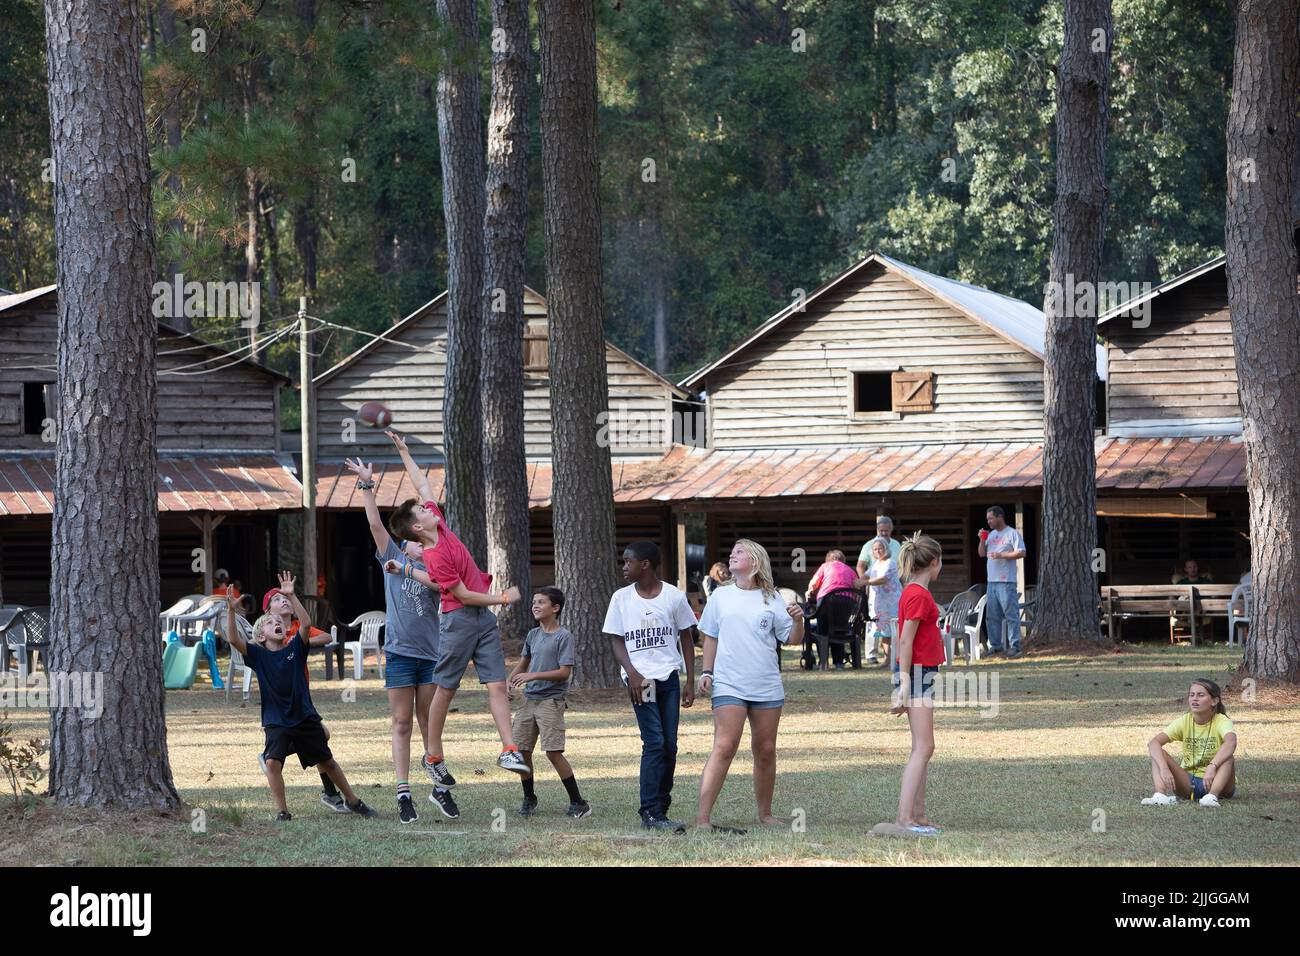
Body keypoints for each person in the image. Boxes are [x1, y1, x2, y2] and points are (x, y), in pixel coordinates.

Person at [383, 430, 527, 818]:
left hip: (481, 619)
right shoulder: (433, 556)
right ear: (417, 527)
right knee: (445, 689)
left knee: (496, 683)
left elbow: (422, 482)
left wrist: (404, 452)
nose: (431, 508)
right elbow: (461, 596)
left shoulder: (439, 525)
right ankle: (432, 755)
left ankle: (509, 749)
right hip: (459, 619)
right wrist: (501, 598)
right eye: (424, 511)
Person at [226, 571, 377, 821]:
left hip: (304, 717)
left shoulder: (296, 646)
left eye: (279, 622)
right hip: (276, 721)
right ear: (261, 636)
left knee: (327, 762)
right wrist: (232, 611)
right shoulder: (258, 656)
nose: (277, 623)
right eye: (269, 621)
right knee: (273, 764)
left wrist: (291, 595)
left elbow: (306, 625)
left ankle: (353, 800)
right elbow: (232, 638)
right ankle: (283, 812)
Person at [344, 456, 446, 824]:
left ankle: (438, 786)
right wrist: (367, 485)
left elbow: (442, 584)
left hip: (432, 654)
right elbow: (373, 523)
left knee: (428, 723)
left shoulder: (438, 558)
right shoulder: (392, 553)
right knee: (401, 722)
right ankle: (404, 793)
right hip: (401, 652)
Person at [695, 539, 803, 833]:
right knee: (725, 745)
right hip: (729, 682)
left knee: (766, 749)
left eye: (739, 552)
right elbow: (711, 636)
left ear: (755, 561)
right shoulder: (720, 596)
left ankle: (765, 814)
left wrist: (798, 621)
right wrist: (707, 671)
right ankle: (703, 818)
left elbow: (792, 640)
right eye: (732, 552)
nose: (732, 555)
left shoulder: (773, 598)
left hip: (766, 684)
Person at [603, 540, 697, 833]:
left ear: (645, 564)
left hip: (668, 677)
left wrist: (690, 680)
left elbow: (686, 638)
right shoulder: (621, 598)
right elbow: (616, 639)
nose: (624, 567)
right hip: (640, 679)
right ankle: (650, 812)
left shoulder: (673, 596)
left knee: (670, 745)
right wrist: (631, 673)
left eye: (628, 562)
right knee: (654, 742)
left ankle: (662, 807)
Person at [508, 586, 591, 820]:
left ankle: (579, 802)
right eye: (534, 601)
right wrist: (508, 683)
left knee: (553, 752)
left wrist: (532, 677)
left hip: (550, 701)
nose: (535, 605)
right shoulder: (533, 635)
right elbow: (523, 664)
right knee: (522, 752)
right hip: (528, 701)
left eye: (541, 602)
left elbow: (564, 672)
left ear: (555, 608)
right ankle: (529, 798)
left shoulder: (564, 636)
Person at [260, 581, 340, 810]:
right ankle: (330, 793)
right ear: (268, 613)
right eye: (276, 599)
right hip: (283, 704)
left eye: (285, 597)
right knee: (321, 736)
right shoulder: (269, 639)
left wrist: (299, 643)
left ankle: (273, 755)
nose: (283, 600)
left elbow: (326, 637)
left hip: (302, 697)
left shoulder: (298, 628)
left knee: (320, 738)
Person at [889, 533, 946, 836]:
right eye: (941, 561)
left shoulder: (916, 592)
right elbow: (905, 640)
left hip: (922, 672)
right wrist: (905, 685)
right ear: (934, 562)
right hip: (917, 673)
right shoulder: (918, 595)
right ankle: (904, 820)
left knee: (922, 746)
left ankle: (919, 817)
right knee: (924, 746)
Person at [1142, 679, 1237, 807]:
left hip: (1218, 783)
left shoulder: (1221, 721)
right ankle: (1160, 795)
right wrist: (1164, 769)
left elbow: (1231, 742)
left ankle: (1212, 797)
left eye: (1200, 695)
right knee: (1158, 753)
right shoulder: (1184, 721)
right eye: (1192, 695)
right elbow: (1153, 743)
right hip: (1188, 784)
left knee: (1228, 757)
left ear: (1214, 701)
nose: (1195, 699)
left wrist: (1212, 766)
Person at [978, 506, 1026, 658]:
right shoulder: (991, 535)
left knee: (1011, 615)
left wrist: (1001, 554)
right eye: (987, 519)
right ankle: (996, 646)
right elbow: (981, 554)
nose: (989, 521)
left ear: (1000, 517)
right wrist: (982, 540)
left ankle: (1015, 645)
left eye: (991, 518)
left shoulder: (1012, 533)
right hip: (991, 582)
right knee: (992, 616)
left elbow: (1021, 552)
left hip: (1006, 582)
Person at [860, 537, 902, 666]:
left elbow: (883, 579)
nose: (878, 551)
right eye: (875, 549)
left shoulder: (891, 563)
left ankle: (894, 659)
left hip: (891, 603)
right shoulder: (875, 564)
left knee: (892, 632)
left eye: (880, 548)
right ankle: (887, 659)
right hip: (879, 603)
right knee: (884, 631)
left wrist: (863, 582)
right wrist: (859, 580)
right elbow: (867, 574)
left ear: (886, 549)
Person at [857, 515, 901, 580]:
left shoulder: (897, 544)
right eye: (881, 531)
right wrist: (865, 583)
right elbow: (860, 566)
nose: (883, 533)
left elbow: (901, 565)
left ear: (891, 529)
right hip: (875, 586)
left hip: (894, 586)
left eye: (886, 531)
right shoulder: (869, 545)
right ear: (877, 530)